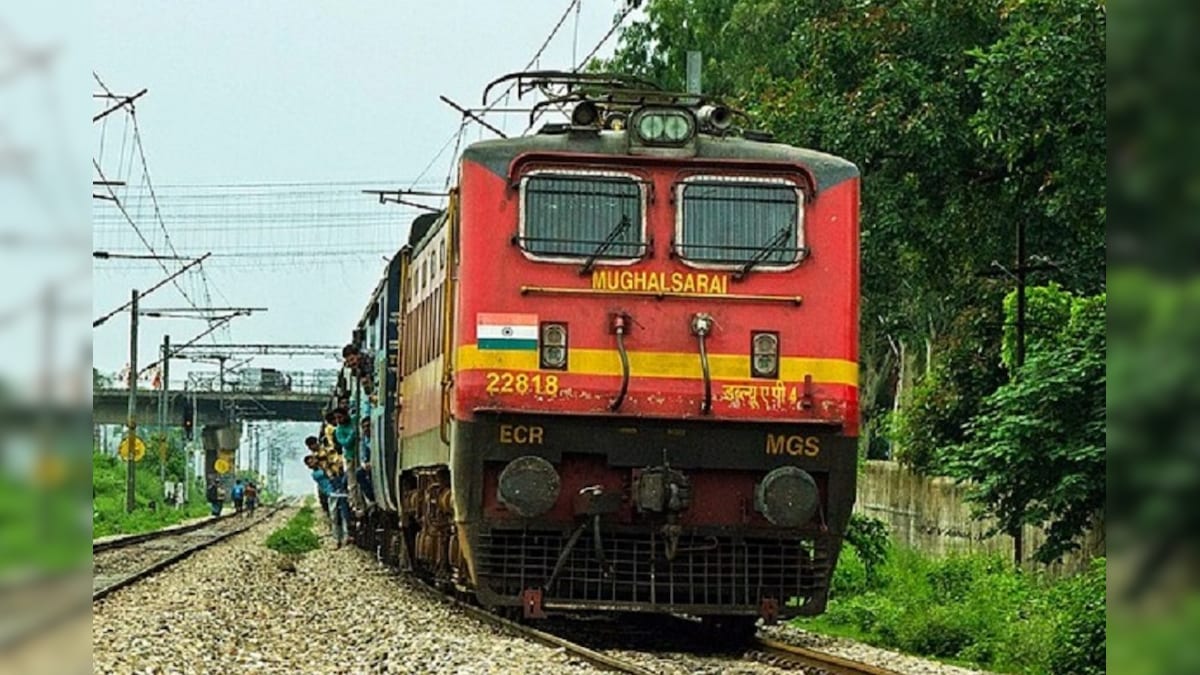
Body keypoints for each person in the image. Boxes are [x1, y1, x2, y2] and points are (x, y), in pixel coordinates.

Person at [325, 455, 351, 549]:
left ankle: (345, 537)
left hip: (342, 496)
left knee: (344, 516)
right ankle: (337, 539)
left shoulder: (344, 474)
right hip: (334, 496)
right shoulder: (331, 475)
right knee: (335, 517)